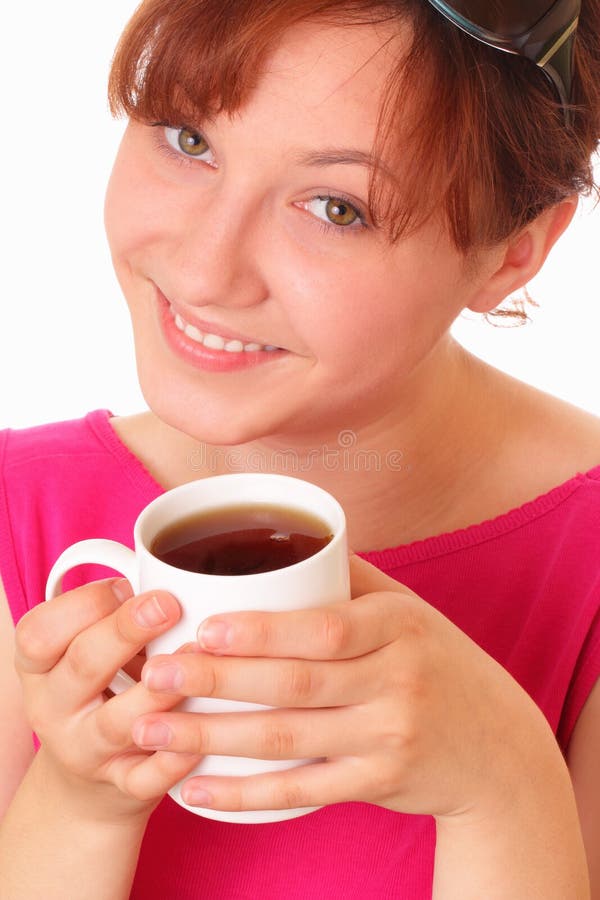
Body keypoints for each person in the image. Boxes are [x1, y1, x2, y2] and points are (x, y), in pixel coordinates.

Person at [0, 0, 599, 897]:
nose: (203, 271)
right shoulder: (22, 516)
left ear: (516, 250)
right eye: (190, 140)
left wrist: (504, 785)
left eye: (336, 207)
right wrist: (79, 803)